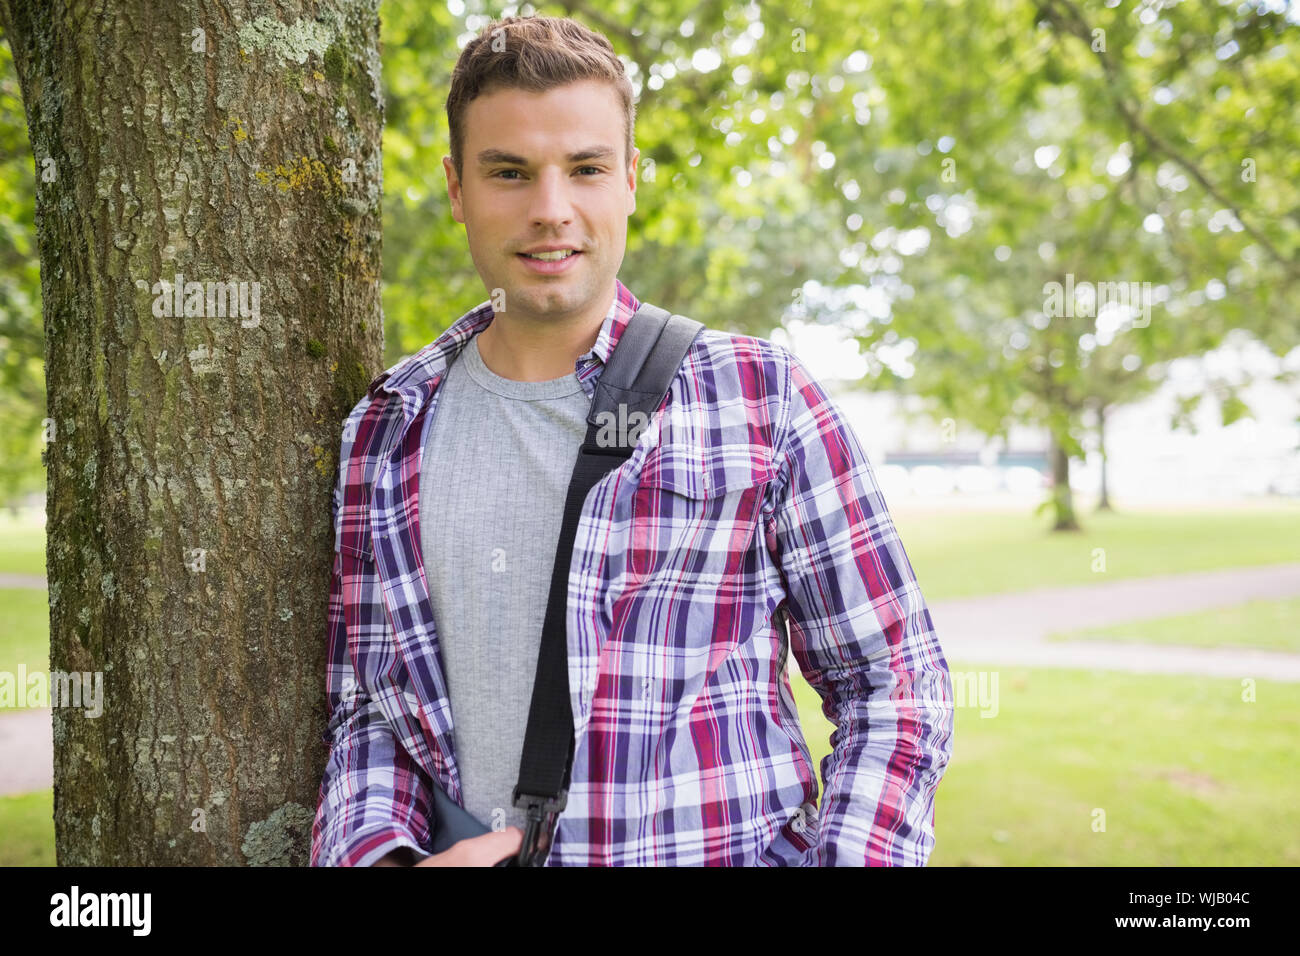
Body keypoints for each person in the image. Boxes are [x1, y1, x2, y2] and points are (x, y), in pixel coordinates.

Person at [310, 13, 953, 868]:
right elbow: (369, 710)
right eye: (509, 172)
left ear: (630, 182)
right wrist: (381, 859)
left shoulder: (760, 397)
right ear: (457, 189)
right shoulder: (386, 430)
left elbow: (895, 685)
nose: (551, 210)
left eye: (585, 169)